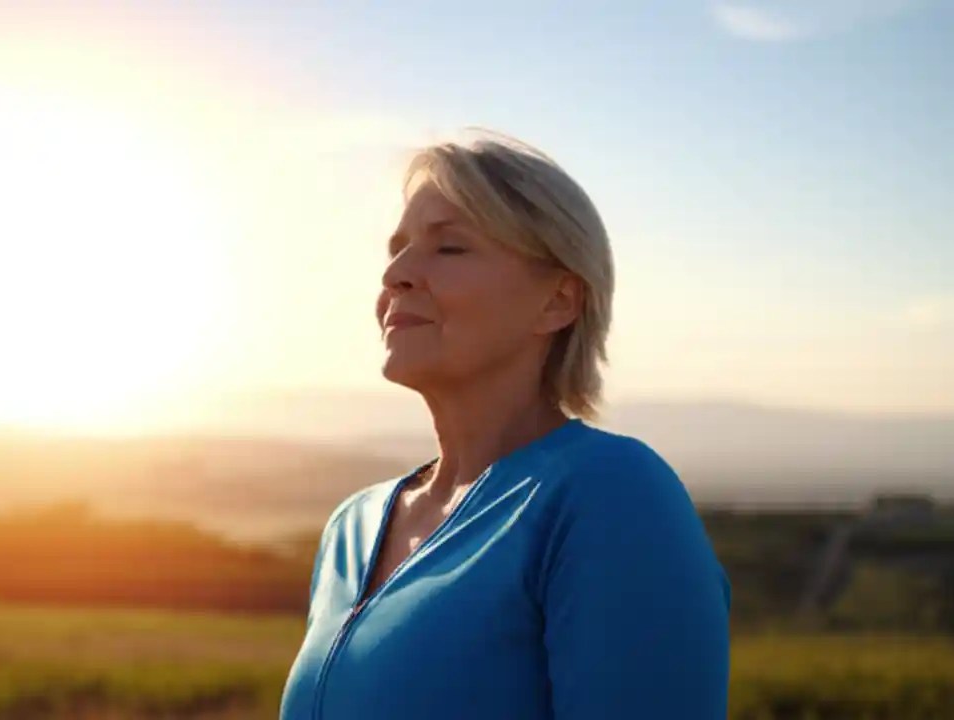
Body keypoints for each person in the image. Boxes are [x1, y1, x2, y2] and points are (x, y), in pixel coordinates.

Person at [279, 131, 730, 719]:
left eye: (449, 248)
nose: (396, 273)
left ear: (557, 301)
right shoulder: (351, 528)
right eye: (398, 248)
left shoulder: (610, 493)